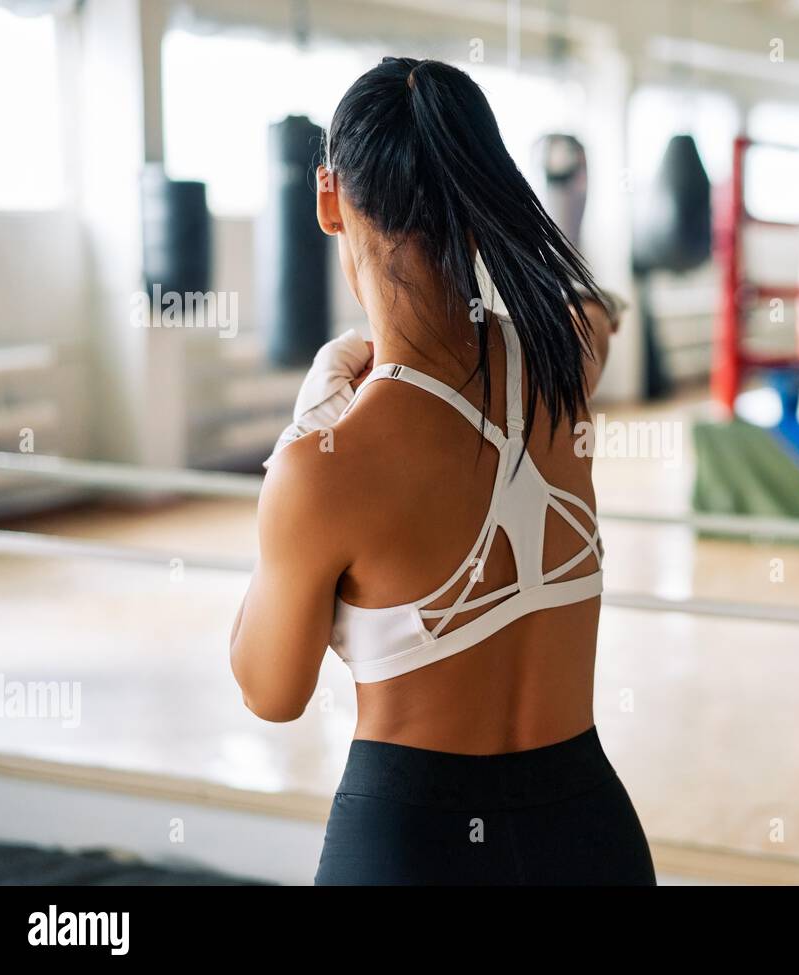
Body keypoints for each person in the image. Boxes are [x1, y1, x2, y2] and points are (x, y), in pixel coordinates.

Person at [229, 56, 653, 885]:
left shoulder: (324, 466)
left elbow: (268, 691)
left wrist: (304, 431)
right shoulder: (565, 361)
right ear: (481, 194)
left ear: (326, 196)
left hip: (411, 848)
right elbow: (598, 310)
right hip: (589, 836)